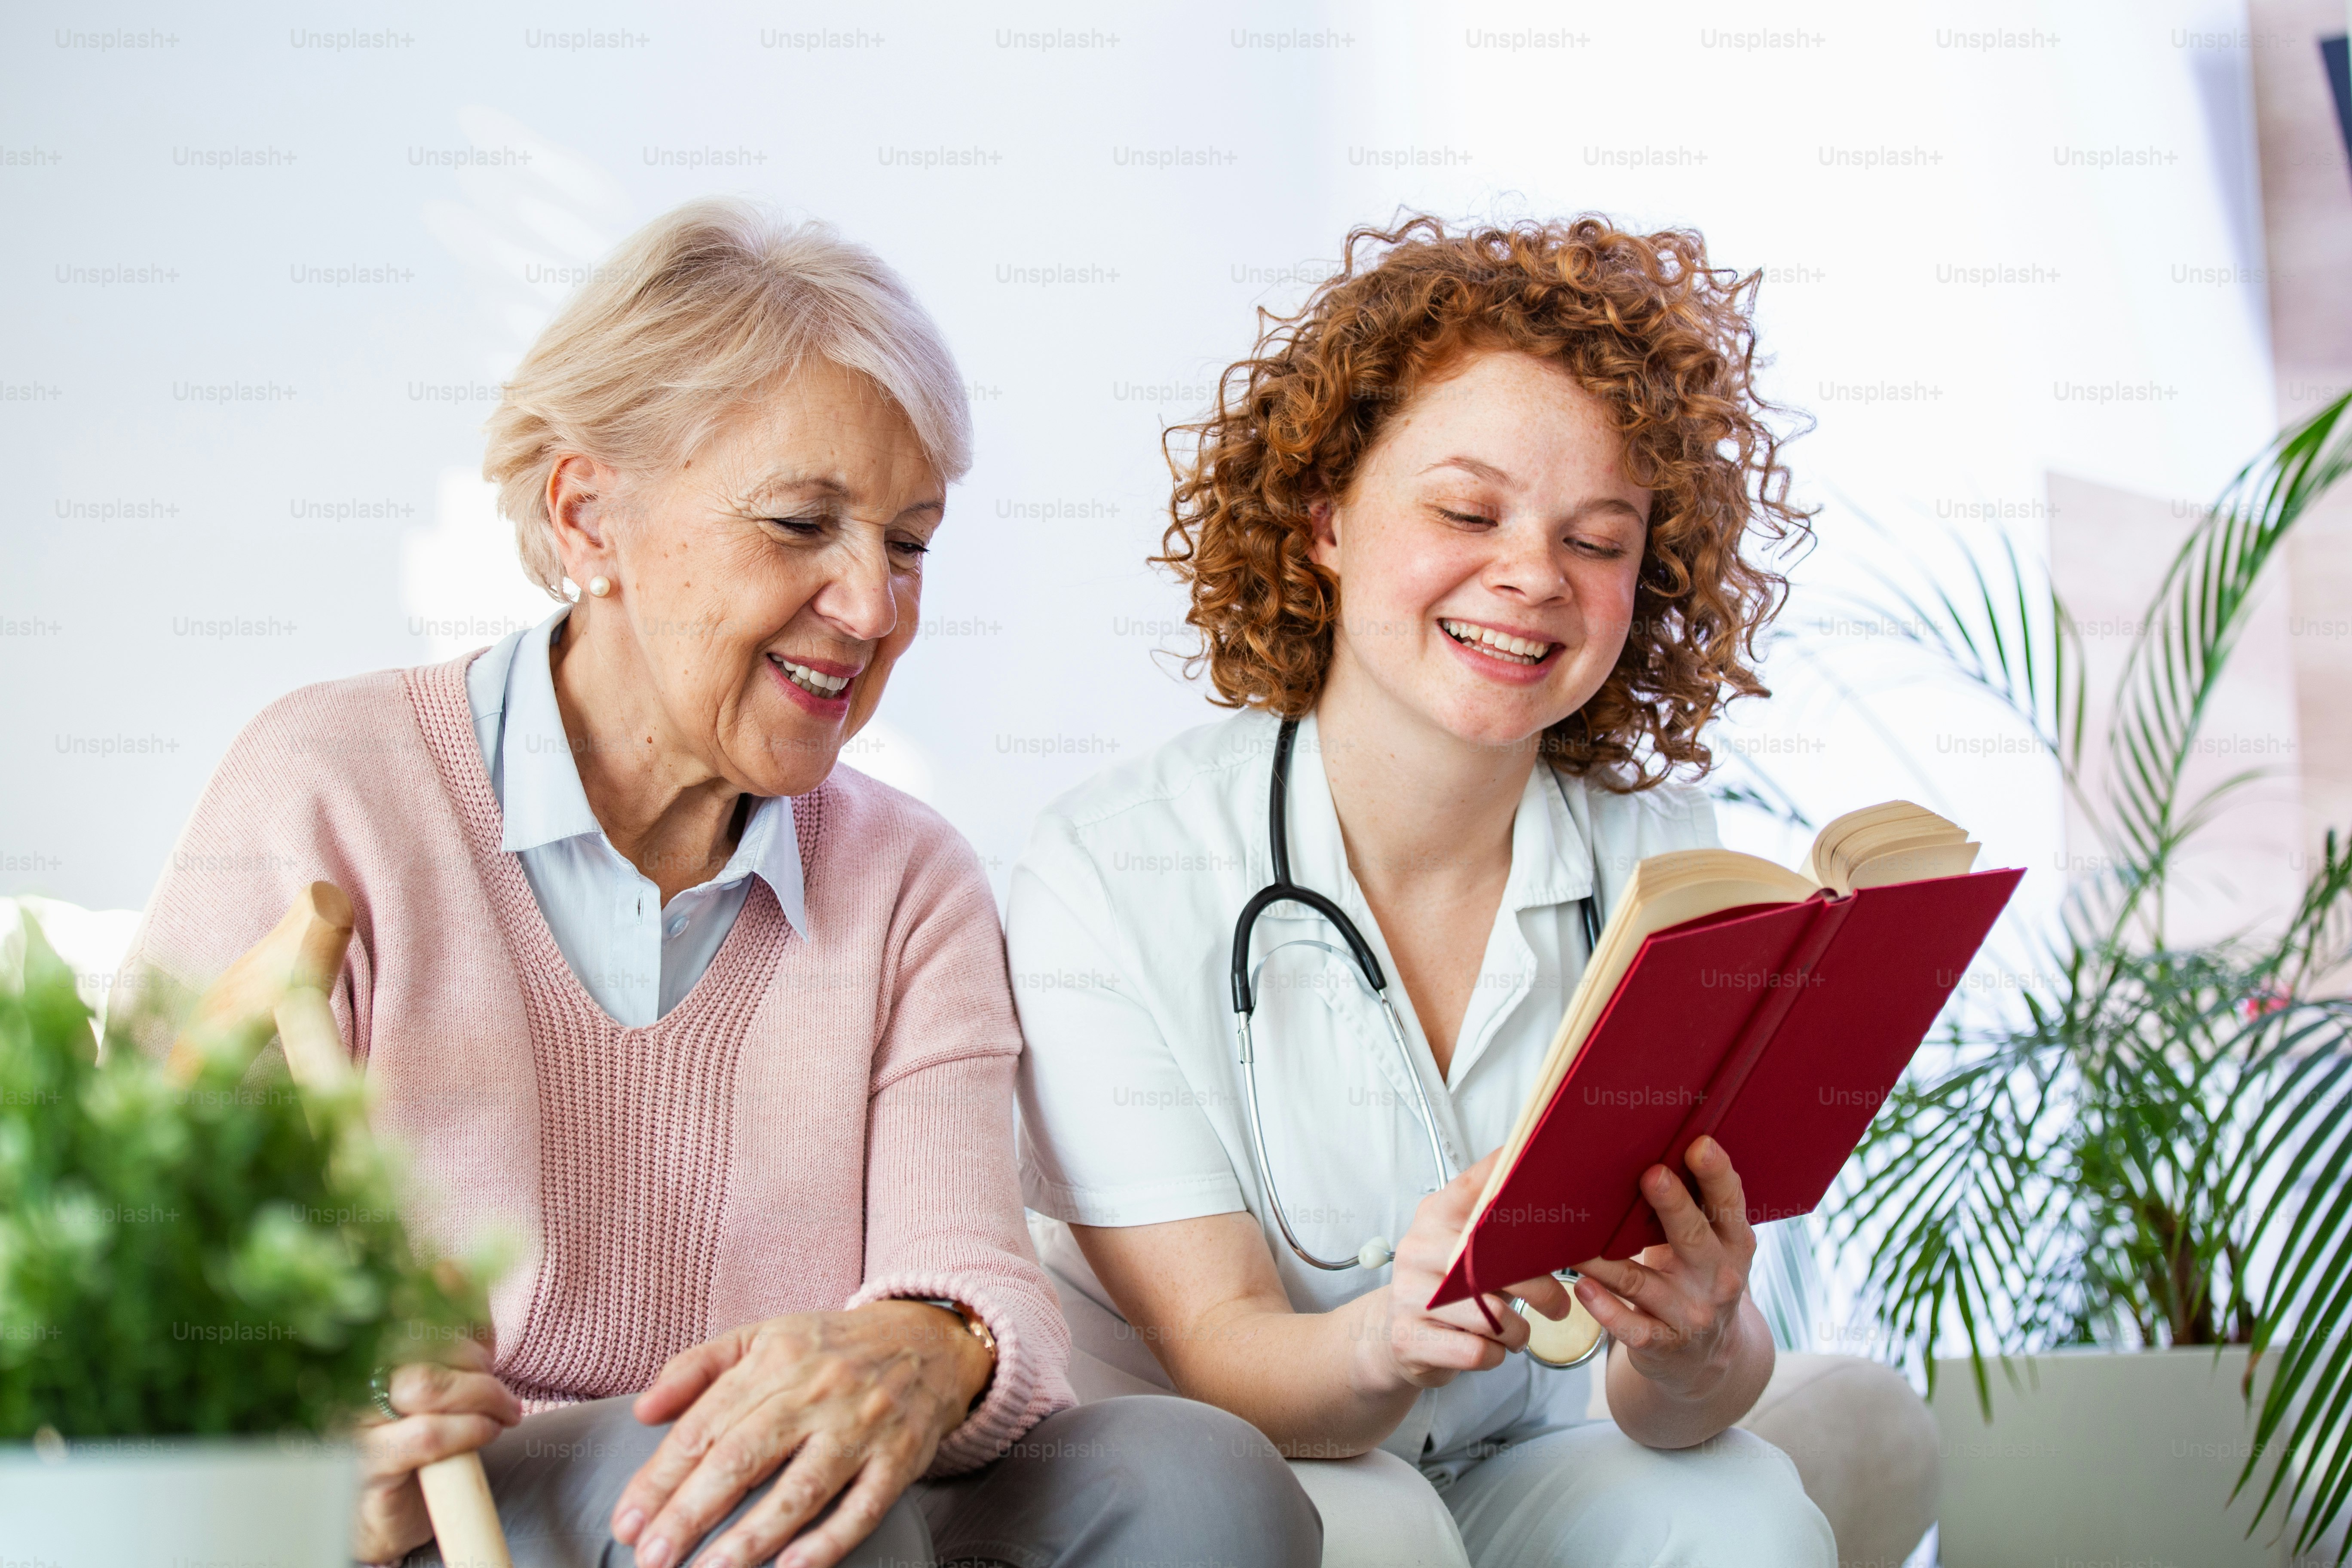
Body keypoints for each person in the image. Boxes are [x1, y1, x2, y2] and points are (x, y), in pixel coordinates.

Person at [121, 199, 1320, 1568]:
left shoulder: (908, 877)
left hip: (801, 1492)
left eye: (910, 541)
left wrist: (925, 1342)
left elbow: (979, 1275)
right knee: (781, 1498)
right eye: (804, 522)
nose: (873, 609)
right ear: (590, 517)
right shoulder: (329, 784)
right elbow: (137, 1261)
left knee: (1201, 1479)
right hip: (482, 1505)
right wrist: (308, 1446)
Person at [1009, 215, 1837, 1567]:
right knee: (1380, 1525)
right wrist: (1391, 1330)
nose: (1533, 577)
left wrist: (1695, 1340)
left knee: (1736, 1508)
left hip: (1515, 1456)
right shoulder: (1111, 874)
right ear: (1327, 519)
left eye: (1601, 538)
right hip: (1204, 1470)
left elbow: (1685, 1403)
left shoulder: (1688, 883)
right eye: (1467, 511)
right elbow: (1223, 1351)